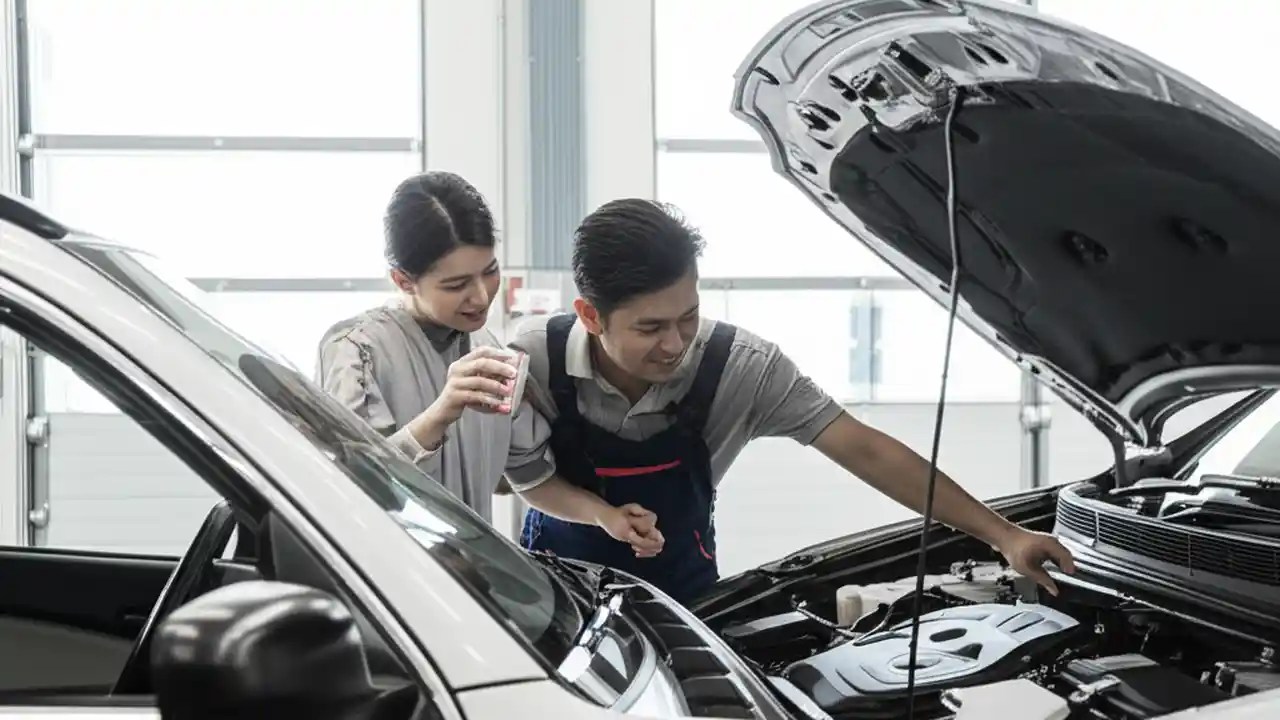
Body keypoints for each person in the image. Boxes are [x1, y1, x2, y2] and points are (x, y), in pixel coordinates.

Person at [503, 198, 1076, 606]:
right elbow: (518, 478)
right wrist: (600, 515)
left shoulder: (742, 368)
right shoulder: (532, 359)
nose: (675, 344)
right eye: (651, 327)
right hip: (552, 597)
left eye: (688, 316)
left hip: (683, 602)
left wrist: (1004, 535)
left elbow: (866, 449)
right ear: (590, 315)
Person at [314, 171, 661, 554]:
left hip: (469, 587)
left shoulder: (488, 349)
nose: (480, 297)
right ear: (403, 280)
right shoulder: (356, 350)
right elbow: (351, 487)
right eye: (456, 284)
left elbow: (528, 475)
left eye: (490, 272)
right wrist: (441, 414)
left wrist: (604, 516)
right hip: (389, 588)